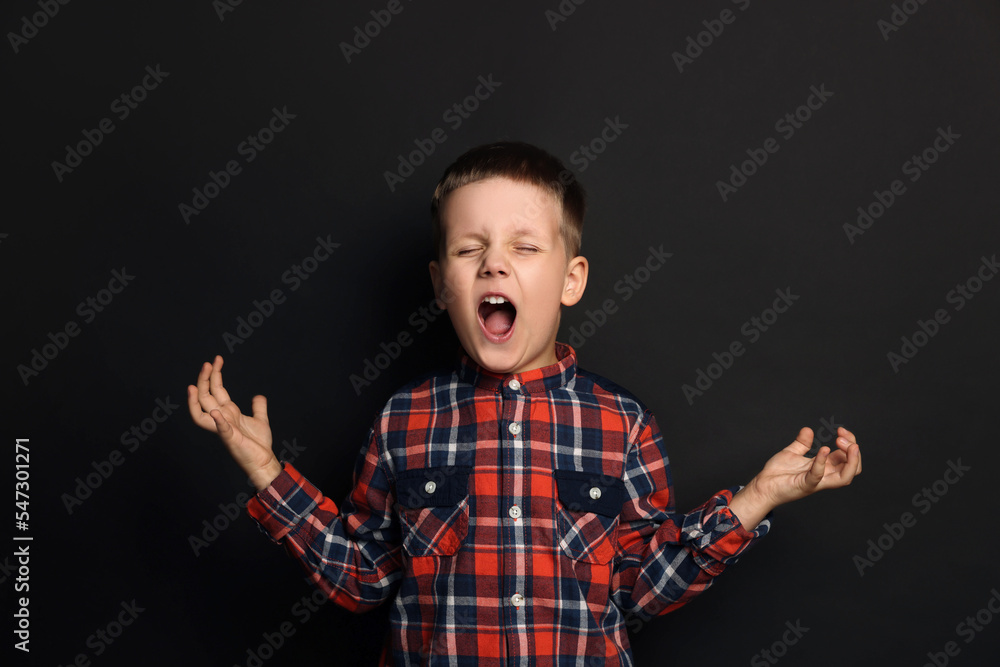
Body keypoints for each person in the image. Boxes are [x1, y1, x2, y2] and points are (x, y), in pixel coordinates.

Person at [188, 141, 862, 665]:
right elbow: (364, 576)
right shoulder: (403, 421)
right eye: (469, 248)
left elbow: (639, 588)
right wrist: (267, 473)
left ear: (571, 279)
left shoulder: (622, 425)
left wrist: (756, 498)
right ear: (441, 283)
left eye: (524, 246)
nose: (494, 264)